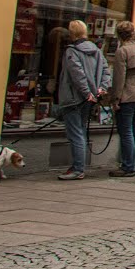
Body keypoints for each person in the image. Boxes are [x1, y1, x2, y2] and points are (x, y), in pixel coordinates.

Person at [56, 20, 107, 180]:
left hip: (74, 98)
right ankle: (77, 167)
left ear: (71, 33)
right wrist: (101, 88)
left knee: (75, 133)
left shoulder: (72, 51)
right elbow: (105, 70)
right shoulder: (96, 50)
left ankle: (78, 169)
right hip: (89, 98)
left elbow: (77, 75)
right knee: (80, 131)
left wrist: (86, 92)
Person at [108, 21, 135, 177]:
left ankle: (128, 166)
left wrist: (115, 99)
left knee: (126, 132)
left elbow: (119, 78)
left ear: (119, 34)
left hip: (127, 95)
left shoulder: (122, 51)